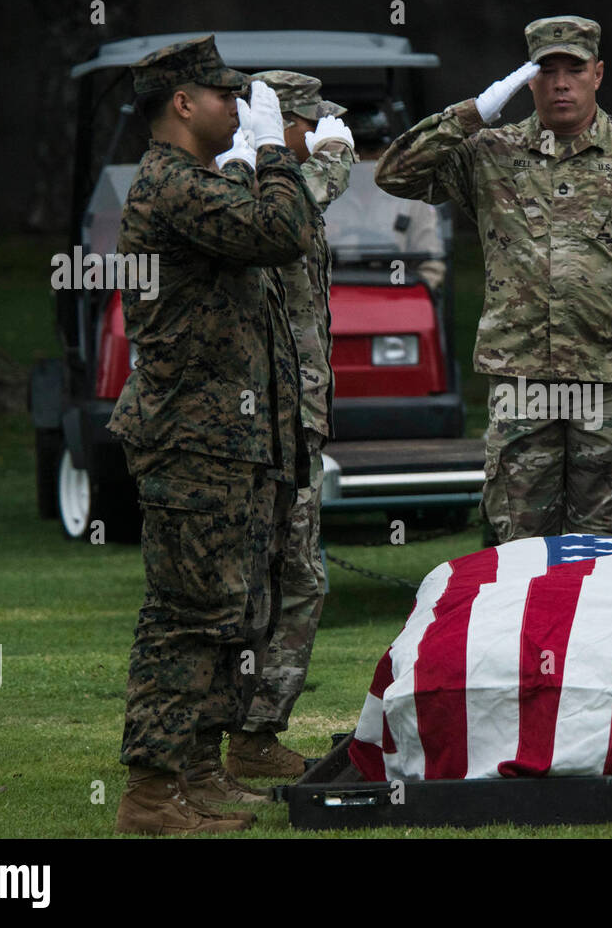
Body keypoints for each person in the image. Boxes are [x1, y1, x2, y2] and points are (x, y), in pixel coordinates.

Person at [375, 15, 612, 543]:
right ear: (528, 80)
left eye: (574, 69)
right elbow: (396, 173)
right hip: (523, 381)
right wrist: (474, 112)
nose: (561, 83)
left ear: (598, 74)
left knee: (607, 546)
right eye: (546, 70)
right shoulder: (491, 153)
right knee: (519, 541)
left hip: (608, 380)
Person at [108, 36, 316, 834]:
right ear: (183, 104)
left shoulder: (190, 183)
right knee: (184, 615)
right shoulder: (172, 188)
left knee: (221, 611)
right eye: (225, 95)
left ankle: (195, 771)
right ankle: (152, 795)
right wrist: (273, 148)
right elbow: (283, 228)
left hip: (220, 439)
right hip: (189, 440)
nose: (237, 105)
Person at [222, 70, 356, 779]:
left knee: (294, 579)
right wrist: (332, 160)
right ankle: (216, 741)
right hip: (259, 425)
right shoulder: (247, 189)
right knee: (257, 584)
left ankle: (253, 735)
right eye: (316, 127)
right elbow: (288, 220)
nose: (324, 138)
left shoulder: (278, 189)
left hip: (295, 422)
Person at [323, 106, 447, 293]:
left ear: (386, 151)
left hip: (396, 290)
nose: (363, 159)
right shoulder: (323, 198)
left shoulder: (411, 198)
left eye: (372, 150)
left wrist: (415, 295)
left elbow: (431, 263)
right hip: (336, 294)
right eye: (356, 149)